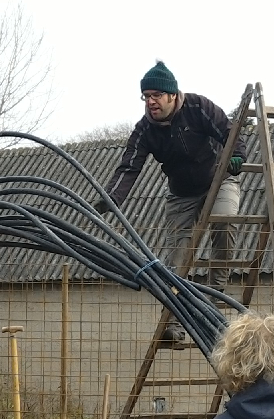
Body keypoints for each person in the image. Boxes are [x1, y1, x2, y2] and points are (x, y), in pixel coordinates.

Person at [98, 60, 245, 347]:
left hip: (219, 180)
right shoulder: (145, 130)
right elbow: (129, 166)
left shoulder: (199, 107)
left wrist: (237, 154)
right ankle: (174, 324)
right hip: (182, 194)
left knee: (224, 222)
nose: (150, 101)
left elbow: (230, 131)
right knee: (176, 259)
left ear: (172, 95)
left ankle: (215, 297)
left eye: (156, 95)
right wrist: (110, 198)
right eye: (146, 96)